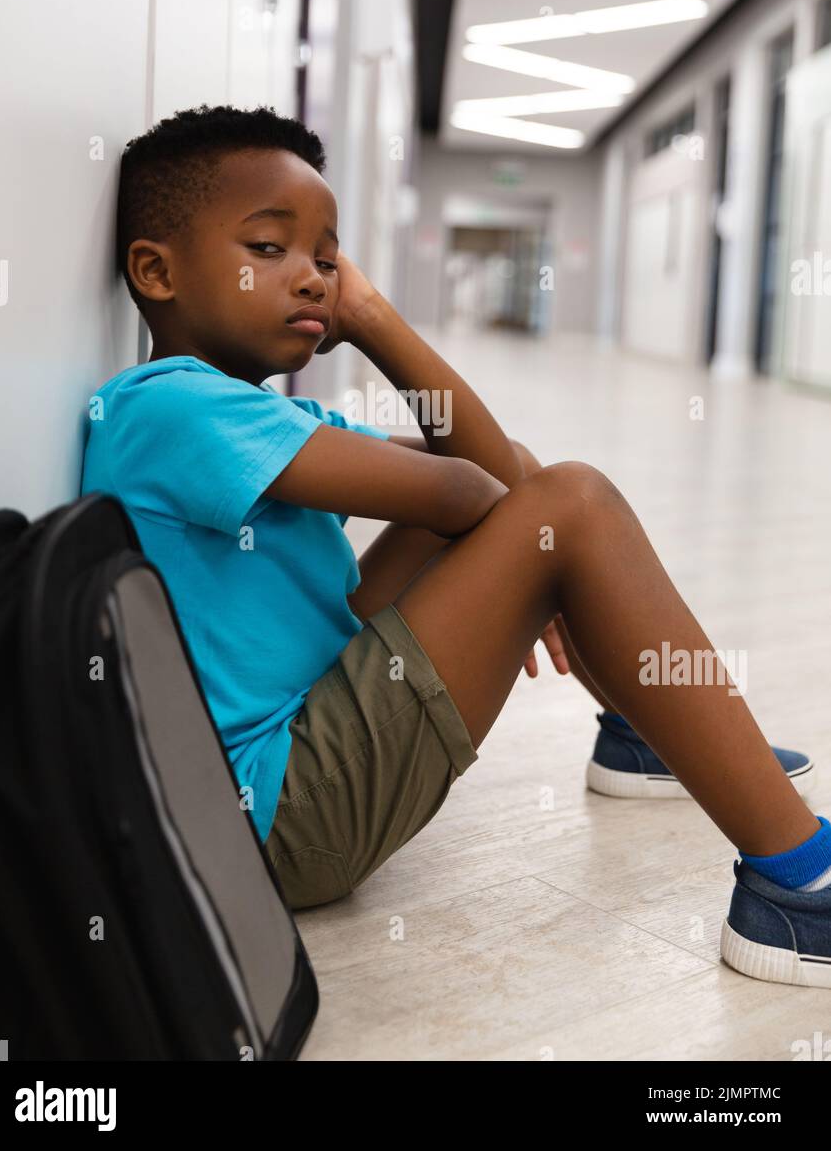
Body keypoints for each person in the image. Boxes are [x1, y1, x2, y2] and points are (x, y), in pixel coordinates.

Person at [81, 104, 831, 989]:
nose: (316, 279)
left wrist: (371, 318)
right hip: (274, 811)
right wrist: (532, 571)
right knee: (572, 505)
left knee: (533, 485)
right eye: (269, 249)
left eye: (329, 260)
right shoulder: (168, 405)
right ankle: (799, 887)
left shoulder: (264, 410)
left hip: (284, 742)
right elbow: (468, 490)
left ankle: (642, 730)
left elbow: (491, 465)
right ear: (155, 271)